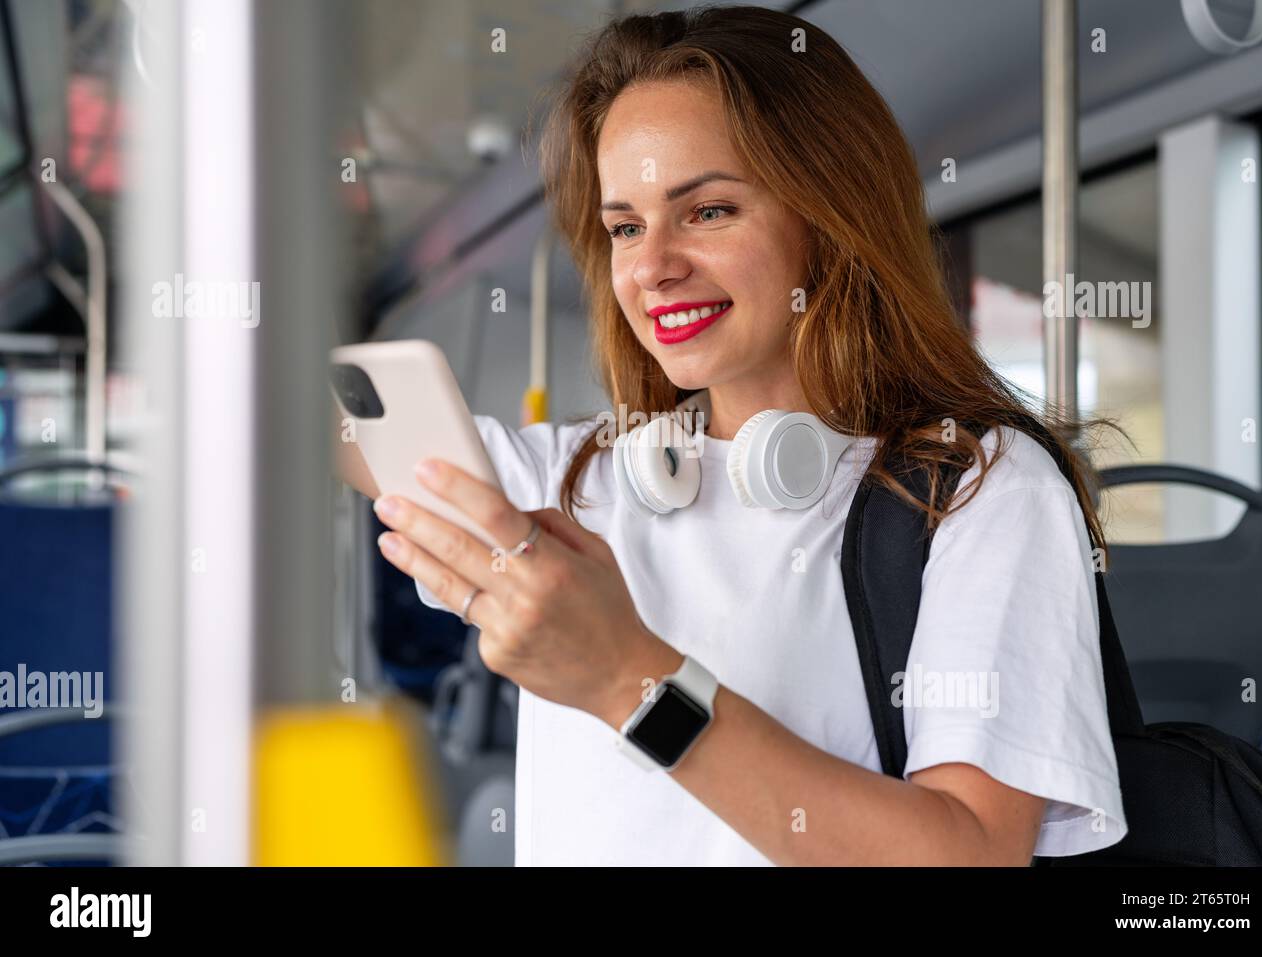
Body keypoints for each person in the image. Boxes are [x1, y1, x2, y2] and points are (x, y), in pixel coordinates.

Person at [371, 4, 1127, 866]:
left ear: (828, 216)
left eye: (708, 211)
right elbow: (320, 421)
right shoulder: (578, 475)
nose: (652, 265)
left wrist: (630, 679)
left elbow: (969, 853)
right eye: (626, 226)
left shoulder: (981, 488)